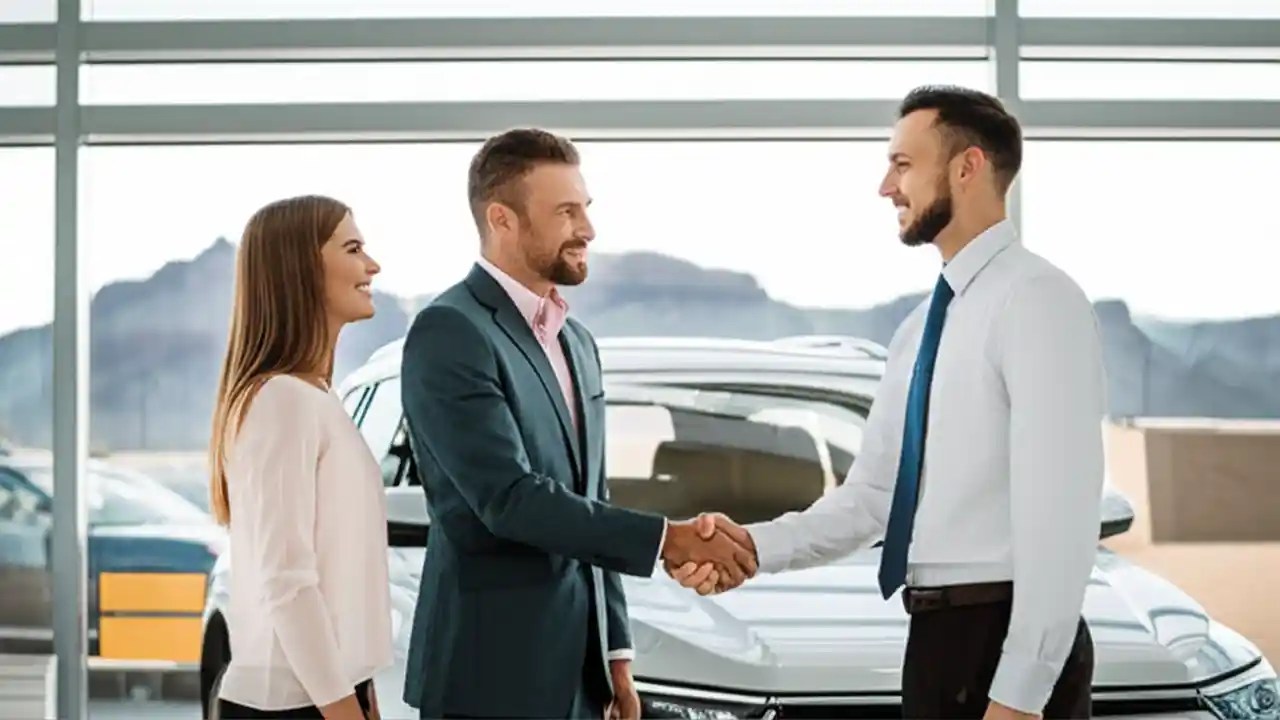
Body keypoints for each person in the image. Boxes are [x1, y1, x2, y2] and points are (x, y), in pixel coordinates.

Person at [671, 85, 1108, 720]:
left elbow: (1062, 518)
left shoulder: (1038, 301)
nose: (886, 186)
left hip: (1001, 644)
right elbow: (873, 499)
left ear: (967, 167)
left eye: (903, 164)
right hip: (938, 644)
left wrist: (1020, 693)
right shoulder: (918, 331)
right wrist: (753, 547)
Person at [398, 128, 755, 720]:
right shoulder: (451, 332)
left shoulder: (578, 343)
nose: (586, 229)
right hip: (489, 679)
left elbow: (591, 498)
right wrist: (669, 538)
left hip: (582, 682)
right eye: (566, 212)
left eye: (585, 209)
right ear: (502, 219)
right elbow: (509, 500)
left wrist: (616, 656)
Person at [207, 195, 392, 720]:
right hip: (293, 704)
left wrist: (361, 693)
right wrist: (342, 709)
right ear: (301, 270)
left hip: (327, 695)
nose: (372, 265)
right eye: (353, 248)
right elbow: (286, 579)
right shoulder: (281, 400)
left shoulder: (315, 397)